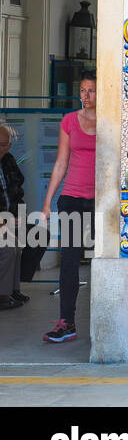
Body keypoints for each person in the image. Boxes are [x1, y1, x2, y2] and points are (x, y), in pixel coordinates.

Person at [38, 70, 96, 344]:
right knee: (70, 261)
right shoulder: (70, 121)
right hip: (72, 197)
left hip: (101, 200)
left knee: (104, 259)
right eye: (83, 90)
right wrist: (48, 202)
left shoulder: (112, 122)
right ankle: (67, 322)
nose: (86, 96)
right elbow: (61, 163)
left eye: (91, 91)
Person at [0, 122, 27, 310]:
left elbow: (17, 190)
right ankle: (3, 295)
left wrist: (18, 216)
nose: (0, 148)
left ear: (9, 145)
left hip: (9, 219)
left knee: (38, 238)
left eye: (3, 144)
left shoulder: (8, 160)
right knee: (9, 247)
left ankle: (13, 288)